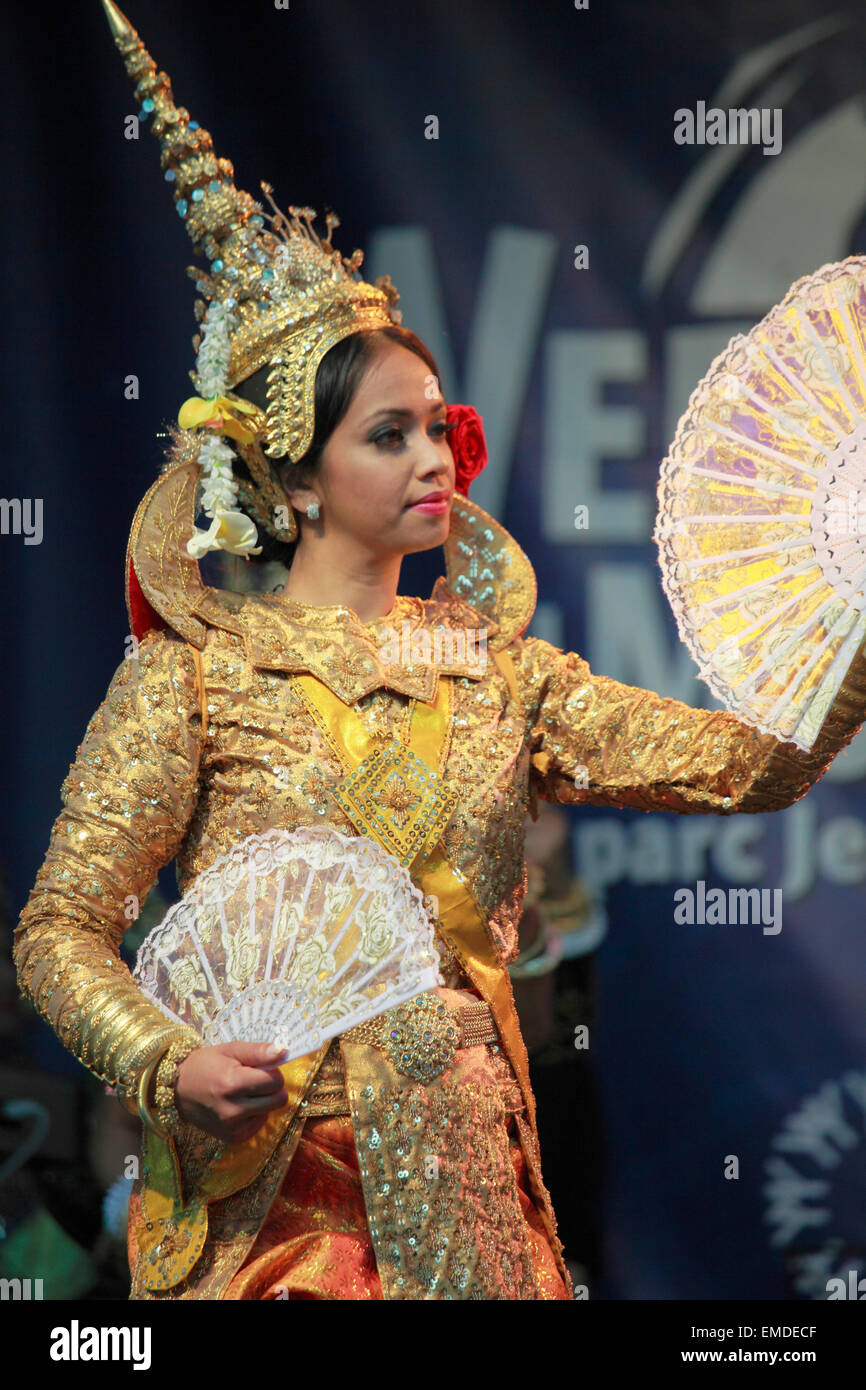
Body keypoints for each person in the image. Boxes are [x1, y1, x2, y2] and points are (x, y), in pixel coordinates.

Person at [13, 0, 866, 1301]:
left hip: (470, 1216)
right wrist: (161, 1058)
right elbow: (60, 928)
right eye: (387, 435)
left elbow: (755, 767)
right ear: (288, 478)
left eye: (437, 425)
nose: (432, 460)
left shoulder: (503, 670)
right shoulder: (192, 672)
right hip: (266, 1218)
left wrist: (847, 621)